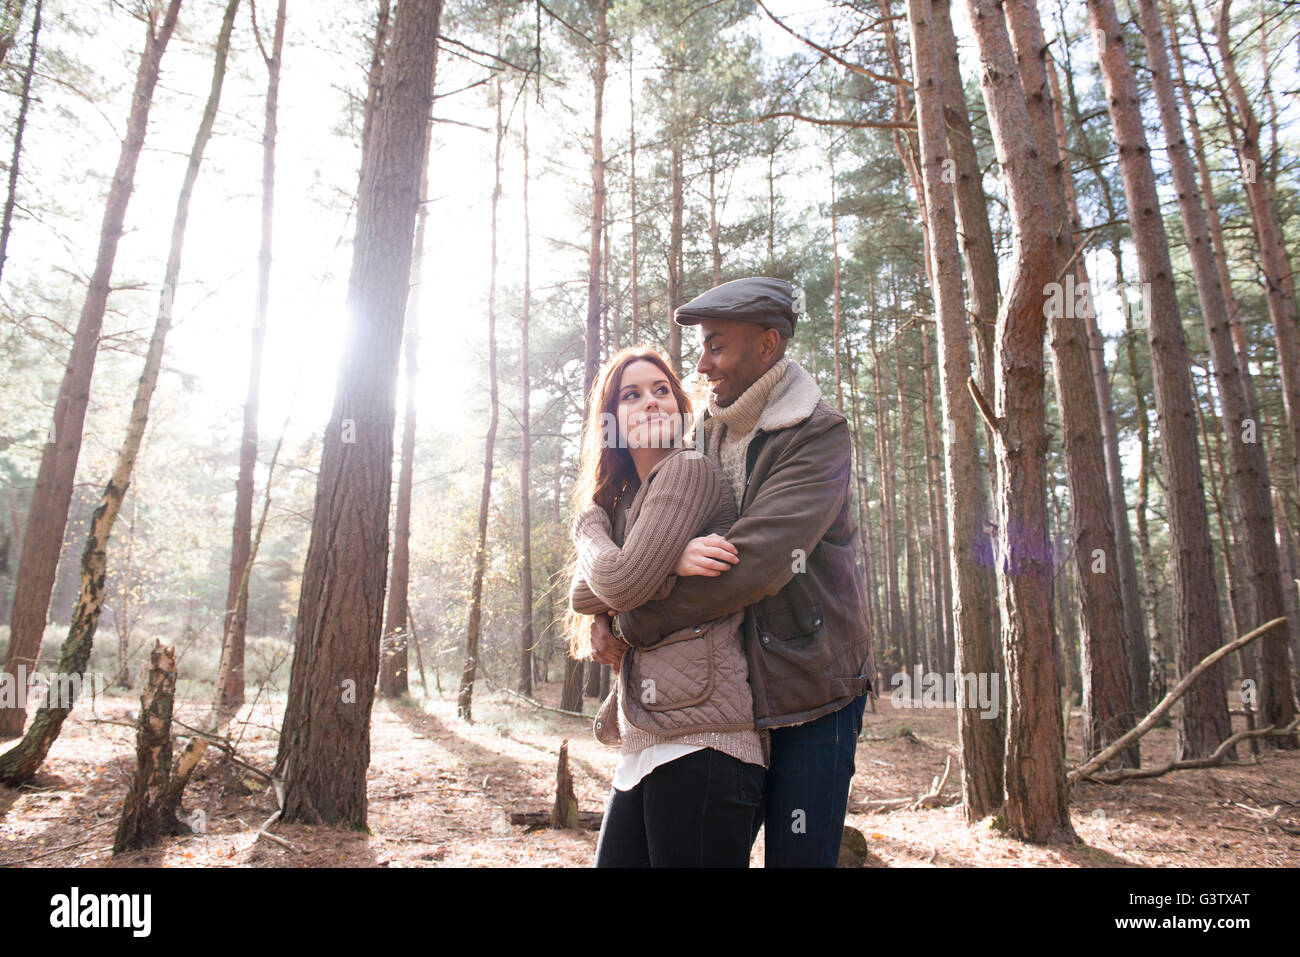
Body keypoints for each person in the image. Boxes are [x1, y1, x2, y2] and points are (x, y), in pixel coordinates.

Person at [589, 276, 875, 868]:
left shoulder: (816, 434)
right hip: (731, 695)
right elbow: (639, 545)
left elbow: (754, 568)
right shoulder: (703, 436)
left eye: (716, 346)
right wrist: (617, 590)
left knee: (797, 859)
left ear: (767, 346)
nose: (702, 363)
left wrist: (630, 622)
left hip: (809, 689)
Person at [566, 345, 765, 867]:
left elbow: (620, 582)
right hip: (650, 739)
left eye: (661, 390)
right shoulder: (631, 498)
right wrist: (668, 561)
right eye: (631, 395)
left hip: (703, 741)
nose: (651, 401)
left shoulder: (688, 470)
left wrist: (590, 529)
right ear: (611, 421)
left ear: (680, 407)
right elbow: (584, 593)